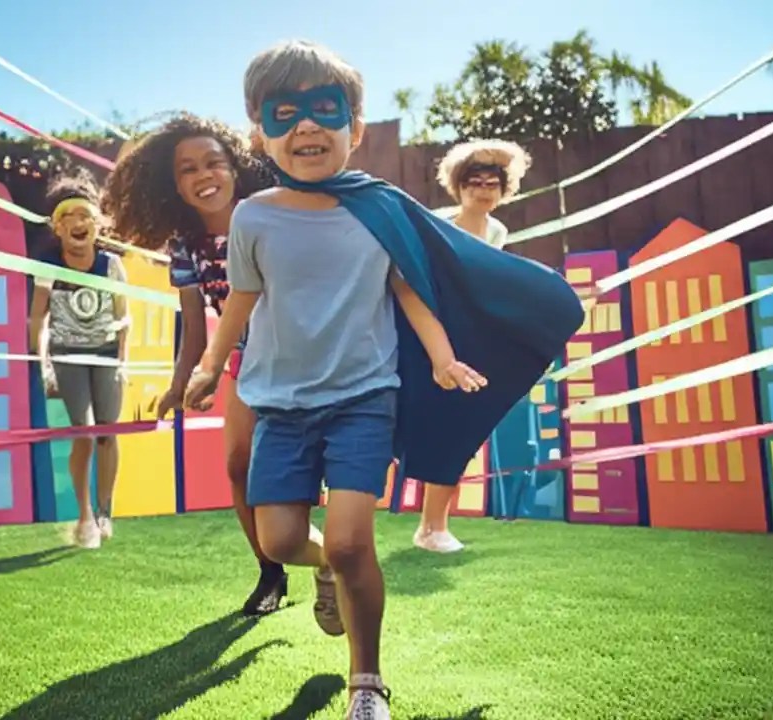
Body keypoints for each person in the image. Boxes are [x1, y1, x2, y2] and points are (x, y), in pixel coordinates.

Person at [184, 39, 583, 719]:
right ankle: (326, 577)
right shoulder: (253, 216)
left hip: (363, 400)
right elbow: (243, 301)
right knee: (281, 540)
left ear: (354, 129)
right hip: (279, 403)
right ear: (261, 133)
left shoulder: (378, 207)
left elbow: (411, 289)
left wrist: (441, 356)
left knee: (348, 539)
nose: (306, 126)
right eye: (285, 114)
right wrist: (209, 365)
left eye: (324, 110)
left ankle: (366, 682)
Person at [104, 113, 317, 615]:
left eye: (212, 163)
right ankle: (270, 573)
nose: (203, 176)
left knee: (298, 469)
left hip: (302, 358)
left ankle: (323, 559)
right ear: (172, 183)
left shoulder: (267, 215)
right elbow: (195, 325)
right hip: (243, 361)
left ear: (236, 167)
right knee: (237, 465)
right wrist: (180, 384)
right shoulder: (184, 245)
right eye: (187, 169)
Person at [412, 139, 533, 553]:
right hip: (432, 338)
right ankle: (429, 526)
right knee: (442, 430)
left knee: (460, 431)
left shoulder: (498, 231)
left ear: (504, 189)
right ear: (458, 186)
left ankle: (434, 526)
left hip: (473, 341)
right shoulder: (440, 224)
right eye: (474, 183)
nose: (483, 190)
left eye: (491, 184)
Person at [29, 173, 130, 550]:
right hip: (68, 354)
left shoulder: (112, 265)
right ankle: (84, 516)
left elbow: (124, 319)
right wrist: (44, 366)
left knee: (107, 432)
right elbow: (38, 319)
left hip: (105, 356)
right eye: (67, 216)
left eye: (84, 214)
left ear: (97, 222)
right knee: (84, 432)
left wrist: (123, 362)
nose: (77, 223)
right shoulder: (48, 267)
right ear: (57, 227)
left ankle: (106, 510)